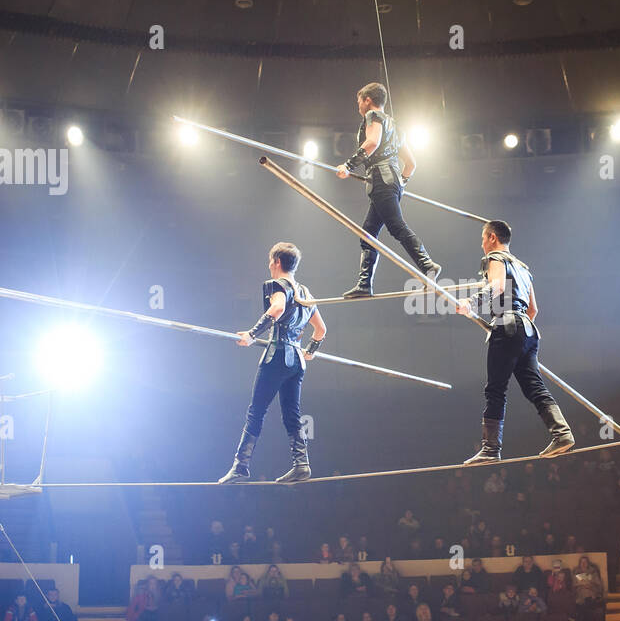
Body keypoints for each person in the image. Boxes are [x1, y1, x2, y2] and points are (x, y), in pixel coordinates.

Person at [457, 220, 573, 463]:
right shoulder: (523, 268)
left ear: (491, 237)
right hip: (528, 331)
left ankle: (490, 449)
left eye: (482, 239)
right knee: (535, 387)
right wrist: (518, 330)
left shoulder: (495, 258)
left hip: (507, 327)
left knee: (495, 389)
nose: (481, 245)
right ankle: (562, 433)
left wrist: (472, 303)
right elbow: (533, 310)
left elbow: (497, 286)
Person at [219, 242, 327, 485]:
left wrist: (251, 334)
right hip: (297, 360)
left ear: (277, 262)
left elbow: (277, 308)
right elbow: (321, 329)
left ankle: (241, 465)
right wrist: (310, 351)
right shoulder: (306, 293)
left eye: (270, 262)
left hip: (277, 354)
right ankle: (301, 464)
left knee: (256, 411)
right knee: (292, 413)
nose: (269, 266)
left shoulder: (277, 286)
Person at [335, 82, 440, 297]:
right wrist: (401, 182)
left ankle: (427, 265)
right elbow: (411, 164)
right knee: (368, 234)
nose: (358, 107)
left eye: (359, 102)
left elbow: (372, 142)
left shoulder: (373, 116)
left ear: (368, 100)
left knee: (395, 226)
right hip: (389, 181)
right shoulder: (396, 127)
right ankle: (365, 285)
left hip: (381, 181)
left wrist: (348, 165)